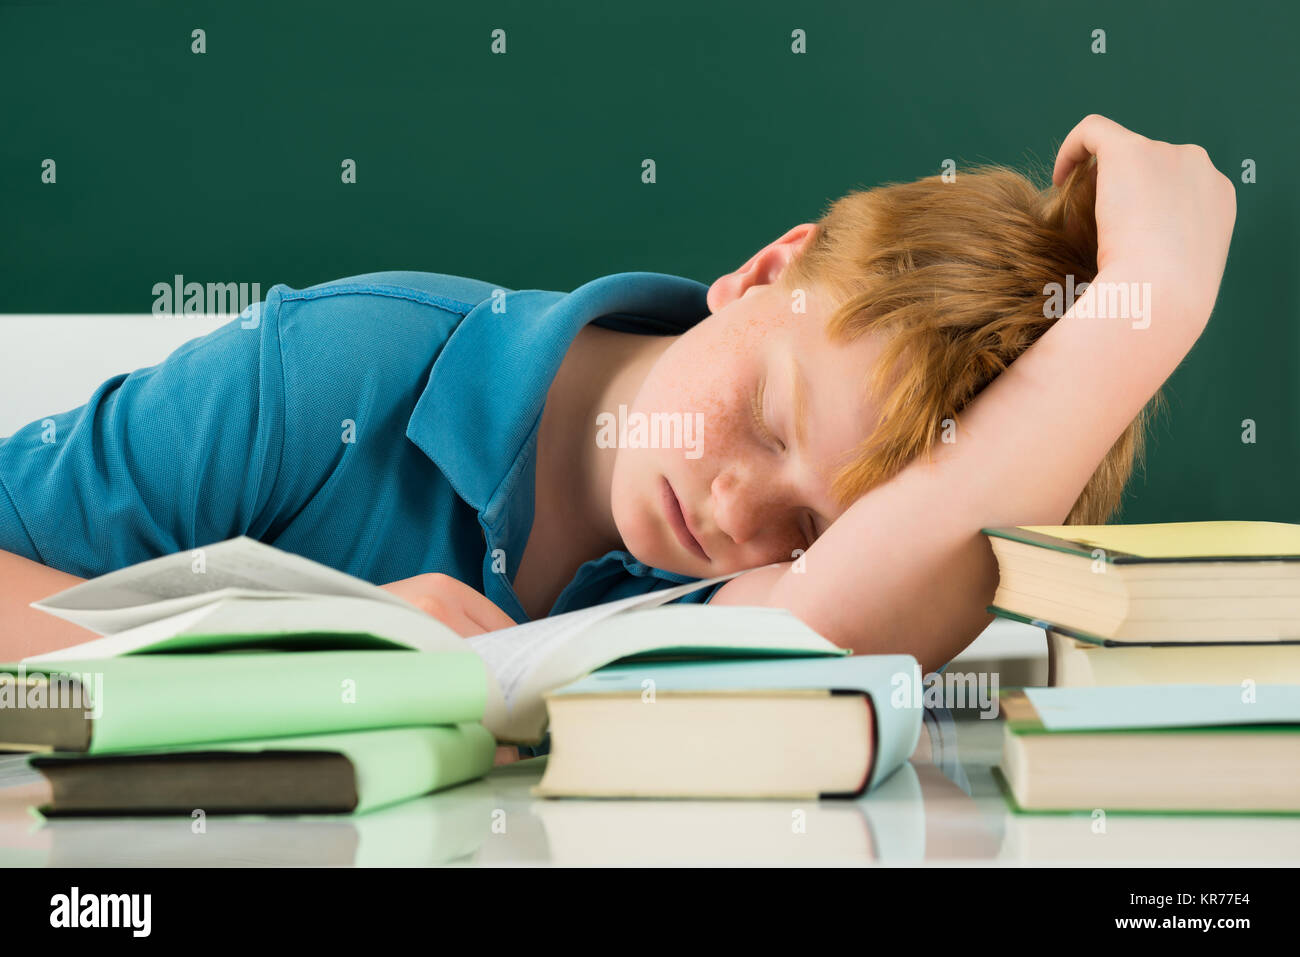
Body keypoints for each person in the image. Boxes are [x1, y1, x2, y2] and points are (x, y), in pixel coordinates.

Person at [0, 115, 1236, 678]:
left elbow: (836, 621)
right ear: (766, 271)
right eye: (764, 419)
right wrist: (317, 650)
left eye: (814, 529)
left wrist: (1153, 310)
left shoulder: (728, 580)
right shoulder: (334, 368)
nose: (742, 516)